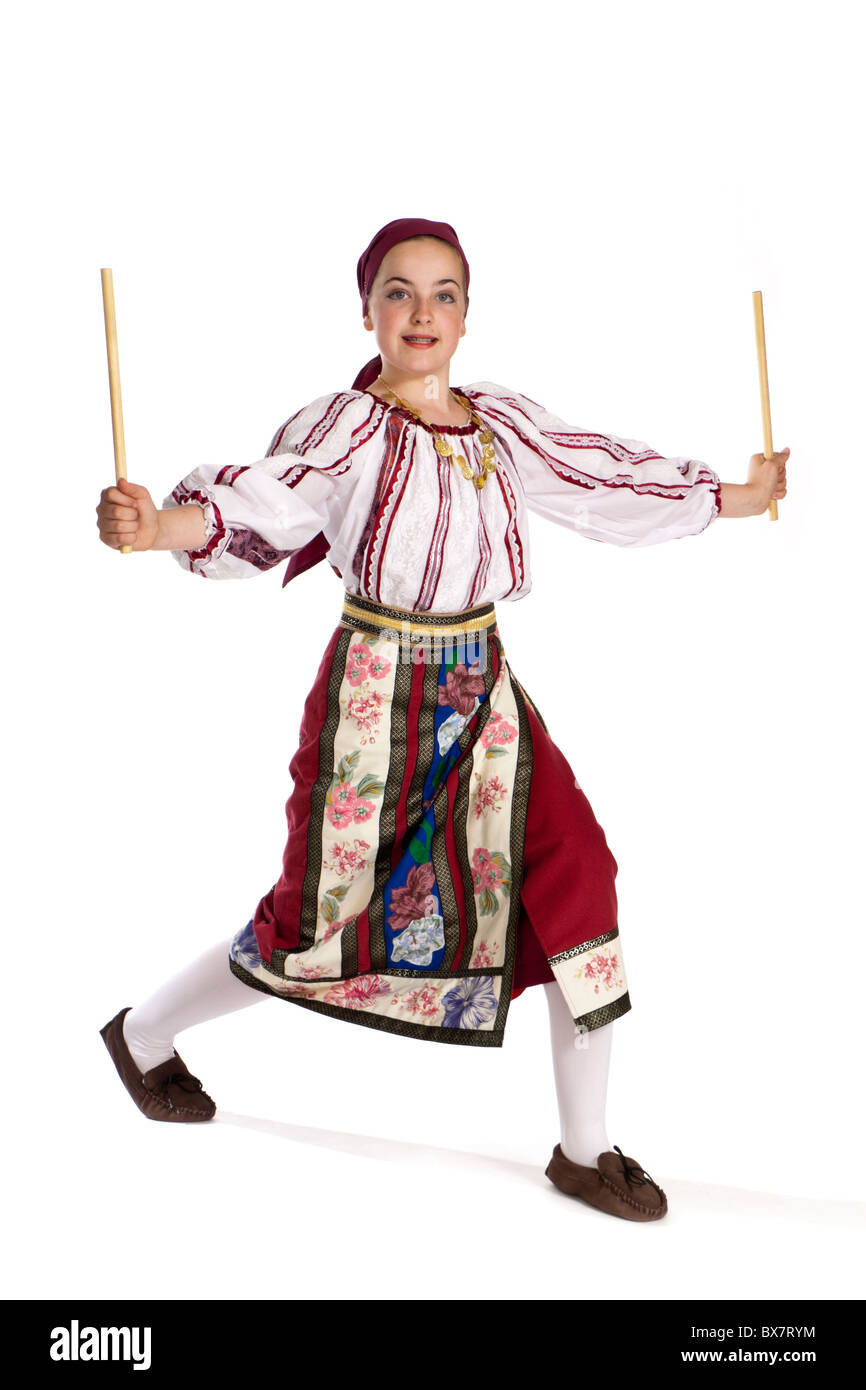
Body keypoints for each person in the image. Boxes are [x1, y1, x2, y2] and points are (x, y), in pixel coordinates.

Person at [96, 217, 788, 1222]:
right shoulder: (344, 428)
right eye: (398, 292)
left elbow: (596, 478)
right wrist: (159, 523)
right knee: (311, 922)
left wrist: (728, 495)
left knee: (576, 868)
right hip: (375, 700)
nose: (421, 313)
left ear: (466, 312)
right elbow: (267, 502)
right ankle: (142, 1034)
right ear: (367, 308)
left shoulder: (497, 420)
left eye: (443, 294)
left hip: (485, 689)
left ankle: (582, 1148)